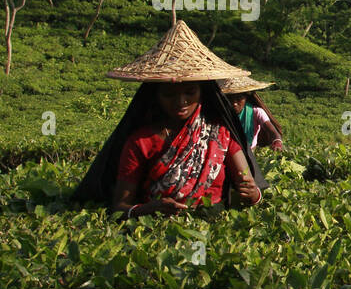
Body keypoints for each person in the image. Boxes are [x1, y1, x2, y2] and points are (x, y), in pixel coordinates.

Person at [72, 20, 268, 217]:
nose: (180, 102)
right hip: (155, 229)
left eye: (190, 93)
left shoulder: (220, 133)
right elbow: (120, 207)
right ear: (155, 96)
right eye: (169, 94)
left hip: (212, 226)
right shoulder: (141, 142)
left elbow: (248, 186)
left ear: (202, 93)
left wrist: (253, 195)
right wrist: (150, 209)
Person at [219, 76, 284, 152]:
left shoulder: (256, 112)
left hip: (249, 152)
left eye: (239, 98)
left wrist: (277, 141)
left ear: (246, 98)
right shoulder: (221, 113)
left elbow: (272, 131)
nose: (234, 103)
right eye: (230, 99)